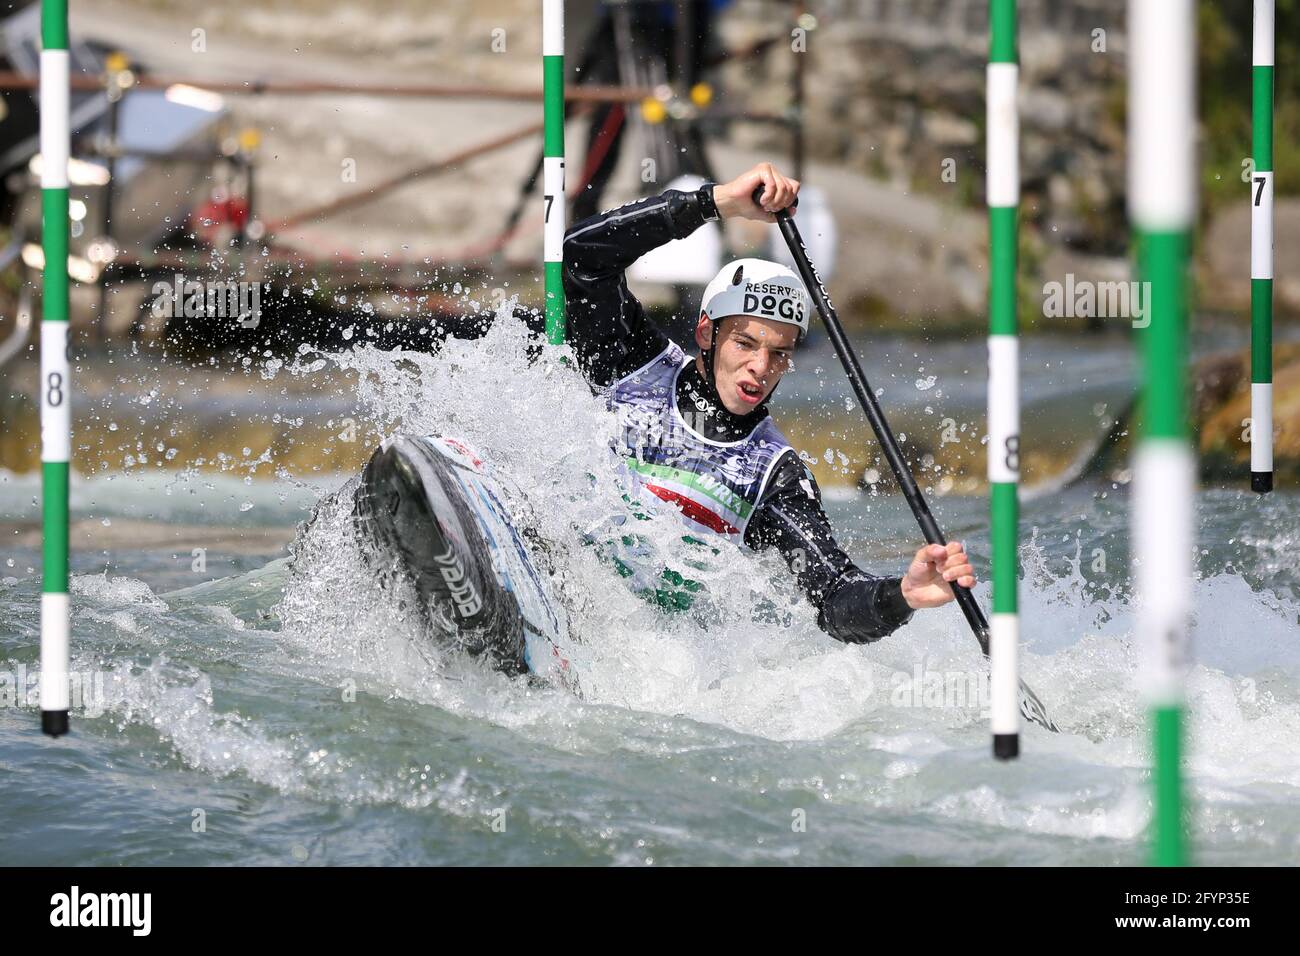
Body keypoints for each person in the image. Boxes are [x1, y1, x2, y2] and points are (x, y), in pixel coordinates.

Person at [563, 162, 977, 644]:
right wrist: (712, 203)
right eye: (745, 343)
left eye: (779, 353)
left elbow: (835, 600)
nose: (761, 366)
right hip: (561, 571)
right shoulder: (630, 361)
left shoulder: (774, 478)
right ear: (705, 334)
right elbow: (582, 255)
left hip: (633, 646)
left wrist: (902, 595)